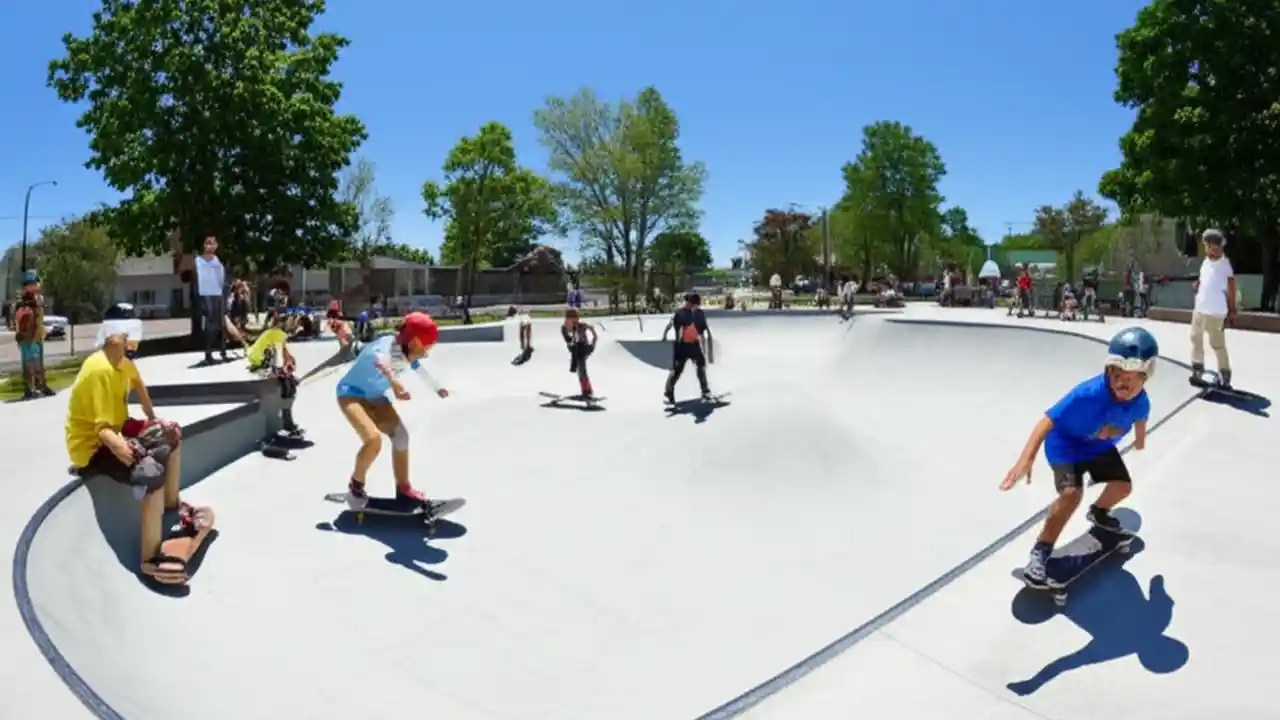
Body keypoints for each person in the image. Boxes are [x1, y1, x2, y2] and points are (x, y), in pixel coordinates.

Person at [1000, 326, 1157, 584]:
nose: (1121, 384)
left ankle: (1098, 512)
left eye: (1129, 379)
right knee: (1071, 495)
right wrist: (1025, 460)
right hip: (1065, 446)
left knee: (1123, 487)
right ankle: (1040, 552)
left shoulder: (1142, 402)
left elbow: (1141, 421)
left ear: (1146, 377)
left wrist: (1139, 442)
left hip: (1097, 447)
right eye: (1116, 376)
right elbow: (1046, 422)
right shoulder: (1087, 393)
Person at [66, 303, 200, 583]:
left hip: (119, 424)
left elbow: (141, 390)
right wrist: (135, 456)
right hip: (91, 444)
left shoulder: (124, 364)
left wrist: (155, 422)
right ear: (115, 336)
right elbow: (103, 432)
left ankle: (171, 507)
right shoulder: (99, 369)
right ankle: (149, 558)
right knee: (150, 474)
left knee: (172, 434)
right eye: (127, 337)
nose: (132, 343)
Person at [335, 312, 451, 513]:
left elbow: (418, 368)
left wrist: (437, 387)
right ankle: (355, 487)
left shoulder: (405, 351)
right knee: (373, 440)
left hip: (376, 398)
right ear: (414, 342)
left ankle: (404, 488)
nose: (426, 353)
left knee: (401, 437)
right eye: (426, 348)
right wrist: (396, 385)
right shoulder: (384, 350)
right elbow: (383, 365)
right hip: (350, 395)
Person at [1190, 228, 1237, 388]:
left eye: (1216, 246)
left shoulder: (1225, 264)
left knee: (1217, 344)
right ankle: (1197, 370)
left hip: (1216, 312)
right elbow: (1206, 279)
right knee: (1195, 339)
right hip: (1200, 309)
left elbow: (1231, 287)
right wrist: (1198, 284)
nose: (1212, 249)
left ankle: (1225, 375)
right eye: (1208, 246)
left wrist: (1232, 309)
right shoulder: (1205, 261)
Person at [246, 314, 304, 436]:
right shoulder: (278, 334)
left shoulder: (274, 333)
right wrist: (283, 372)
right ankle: (286, 421)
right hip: (261, 365)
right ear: (282, 323)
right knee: (288, 385)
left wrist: (289, 361)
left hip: (259, 361)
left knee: (289, 382)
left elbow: (283, 353)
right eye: (292, 321)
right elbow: (276, 360)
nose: (293, 325)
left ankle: (286, 420)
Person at [661, 293, 713, 403]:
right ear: (688, 303)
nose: (695, 307)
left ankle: (705, 391)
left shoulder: (699, 314)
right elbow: (670, 324)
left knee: (701, 366)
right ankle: (668, 393)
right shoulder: (679, 313)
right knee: (677, 370)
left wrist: (705, 347)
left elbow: (703, 330)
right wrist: (665, 334)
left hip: (694, 345)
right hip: (681, 346)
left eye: (696, 305)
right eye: (693, 305)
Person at [13, 270, 54, 399]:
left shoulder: (39, 299)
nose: (32, 286)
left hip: (37, 334)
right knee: (29, 362)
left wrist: (43, 330)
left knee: (39, 362)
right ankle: (30, 389)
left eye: (34, 283)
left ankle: (41, 385)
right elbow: (17, 319)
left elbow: (40, 316)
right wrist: (19, 334)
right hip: (26, 336)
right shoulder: (22, 301)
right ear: (25, 287)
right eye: (29, 284)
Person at [195, 235, 229, 366]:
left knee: (220, 325)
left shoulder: (217, 260)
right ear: (204, 245)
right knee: (210, 325)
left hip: (218, 294)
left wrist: (224, 293)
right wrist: (200, 301)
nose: (210, 246)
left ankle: (222, 351)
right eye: (208, 243)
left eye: (213, 244)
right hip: (206, 295)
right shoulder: (199, 260)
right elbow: (197, 280)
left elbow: (222, 277)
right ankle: (208, 353)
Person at [560, 308, 598, 398]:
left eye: (573, 319)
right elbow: (568, 337)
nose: (571, 321)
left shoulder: (582, 325)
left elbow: (594, 334)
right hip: (575, 349)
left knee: (581, 369)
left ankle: (587, 390)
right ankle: (587, 389)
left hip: (584, 348)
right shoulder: (565, 327)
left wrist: (592, 344)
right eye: (569, 319)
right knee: (579, 370)